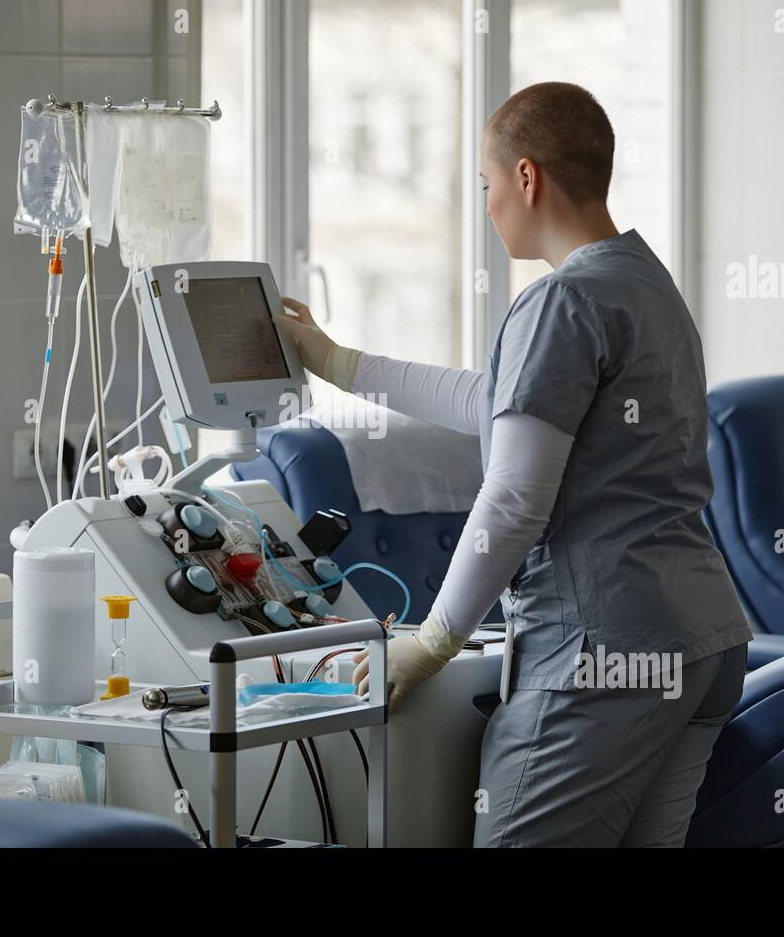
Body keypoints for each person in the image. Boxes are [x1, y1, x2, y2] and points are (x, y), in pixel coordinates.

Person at [273, 82, 751, 847]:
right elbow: (496, 403)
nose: (489, 207)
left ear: (527, 178)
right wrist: (340, 361)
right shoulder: (646, 285)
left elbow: (515, 498)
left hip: (605, 652)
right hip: (701, 637)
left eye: (489, 186)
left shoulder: (562, 301)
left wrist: (433, 641)